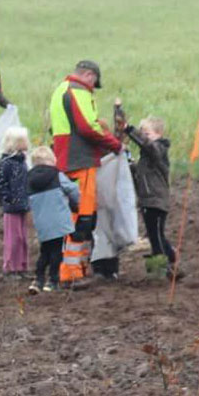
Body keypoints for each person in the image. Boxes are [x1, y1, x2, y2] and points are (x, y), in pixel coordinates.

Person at [47, 60, 123, 284]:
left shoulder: (60, 90)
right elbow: (88, 127)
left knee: (72, 216)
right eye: (94, 82)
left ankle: (72, 268)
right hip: (80, 161)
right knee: (82, 218)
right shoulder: (78, 91)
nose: (93, 88)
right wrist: (114, 145)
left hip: (65, 159)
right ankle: (72, 272)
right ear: (88, 75)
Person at [120, 115, 177, 276]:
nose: (143, 137)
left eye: (146, 133)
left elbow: (149, 146)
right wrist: (128, 161)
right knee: (154, 233)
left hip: (156, 200)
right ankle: (169, 257)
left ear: (158, 133)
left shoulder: (159, 149)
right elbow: (139, 173)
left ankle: (162, 267)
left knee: (155, 234)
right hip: (148, 200)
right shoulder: (147, 157)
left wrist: (130, 130)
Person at [23, 146, 80, 293]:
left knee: (44, 252)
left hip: (42, 224)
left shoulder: (29, 179)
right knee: (57, 253)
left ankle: (38, 280)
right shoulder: (57, 175)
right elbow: (73, 190)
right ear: (51, 160)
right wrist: (76, 204)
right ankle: (52, 281)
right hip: (59, 222)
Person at [0, 127, 32, 279]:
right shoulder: (7, 163)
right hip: (11, 207)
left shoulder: (22, 162)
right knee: (13, 238)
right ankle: (10, 267)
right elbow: (0, 184)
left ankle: (22, 266)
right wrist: (7, 199)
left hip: (22, 204)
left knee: (22, 238)